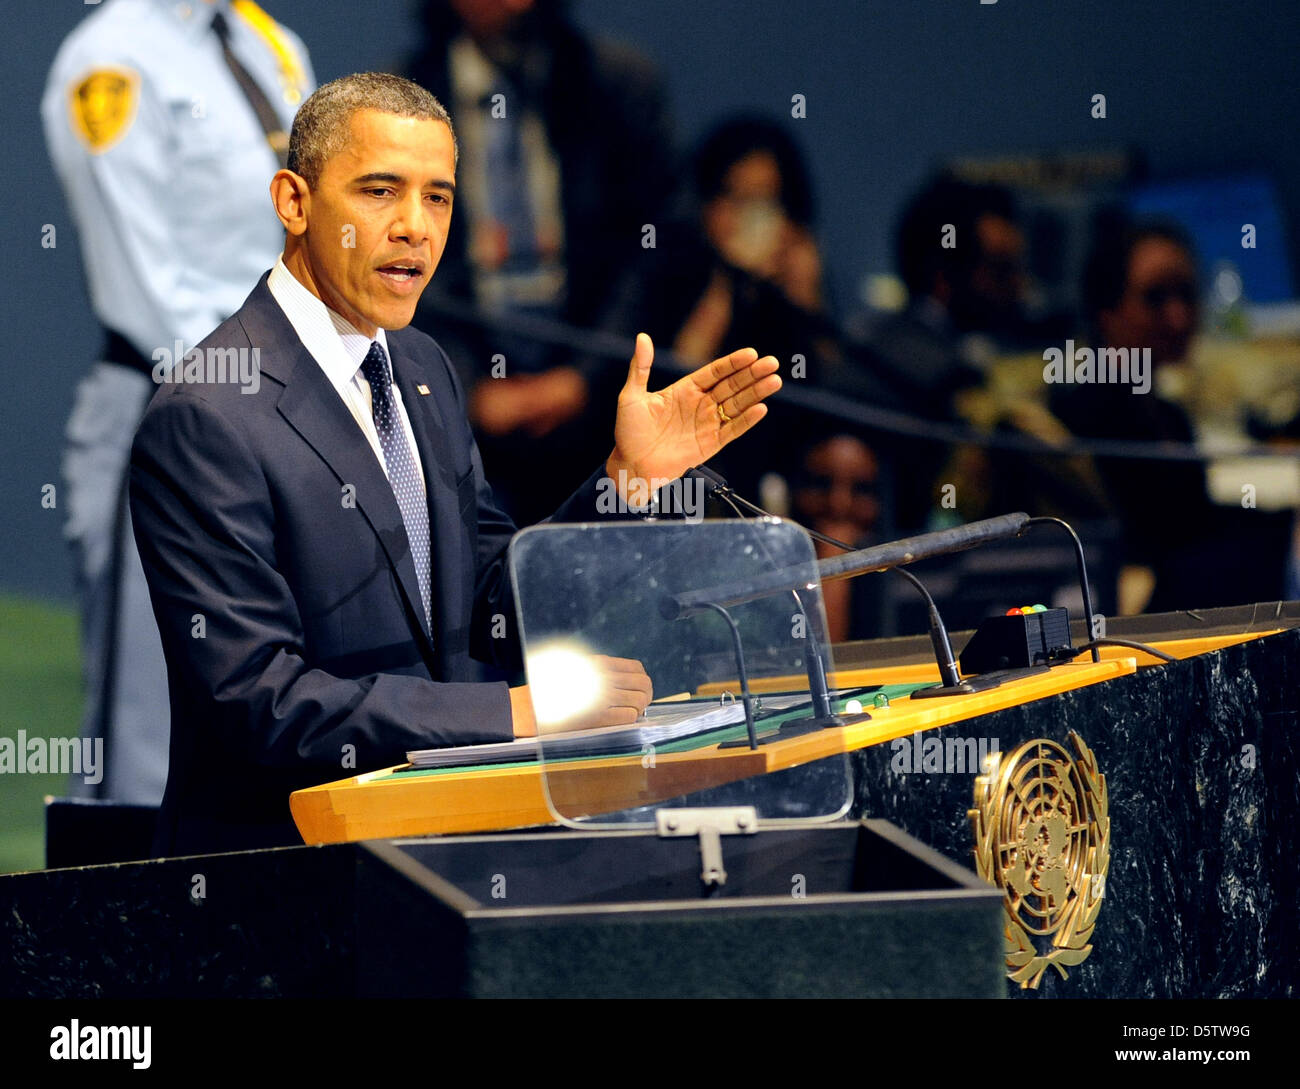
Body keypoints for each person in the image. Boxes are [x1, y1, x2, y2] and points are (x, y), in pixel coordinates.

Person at [128, 73, 781, 857]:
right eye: (380, 191)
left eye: (437, 197)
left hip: (449, 854)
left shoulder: (423, 368)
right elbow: (261, 699)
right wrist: (513, 714)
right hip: (282, 881)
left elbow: (494, 599)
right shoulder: (208, 412)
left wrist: (626, 482)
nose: (415, 227)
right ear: (294, 202)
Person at [42, 0, 314, 804]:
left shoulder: (269, 41)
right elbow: (145, 285)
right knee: (149, 716)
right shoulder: (112, 60)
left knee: (284, 683)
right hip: (175, 408)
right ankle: (121, 924)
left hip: (290, 407)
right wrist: (270, 394)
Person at [407, 0, 677, 524]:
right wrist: (466, 388)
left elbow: (656, 245)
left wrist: (584, 376)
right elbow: (396, 256)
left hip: (600, 407)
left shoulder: (615, 84)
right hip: (457, 420)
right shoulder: (402, 96)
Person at [1049, 218, 1291, 611]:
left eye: (1187, 294)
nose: (1178, 317)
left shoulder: (1162, 410)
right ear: (1106, 311)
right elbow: (1155, 540)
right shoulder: (1087, 415)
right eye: (1155, 297)